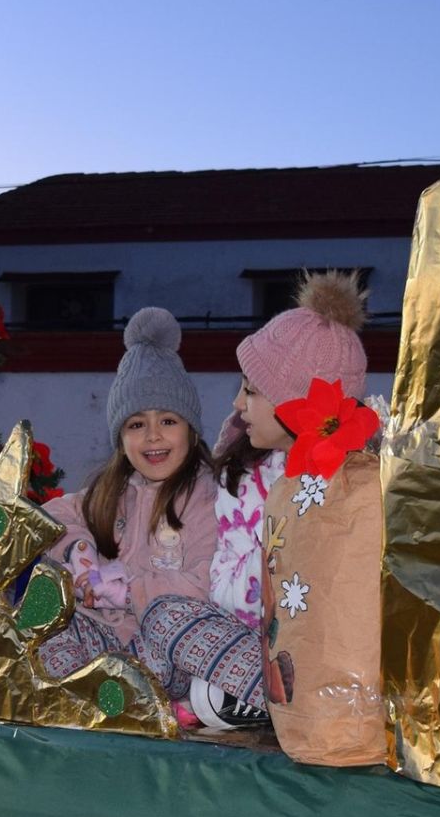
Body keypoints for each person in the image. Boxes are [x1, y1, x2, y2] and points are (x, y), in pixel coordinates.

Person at [137, 270, 368, 730]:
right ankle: (245, 698)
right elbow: (222, 585)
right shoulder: (241, 475)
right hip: (244, 643)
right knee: (161, 616)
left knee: (199, 680)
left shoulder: (347, 490)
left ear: (297, 404)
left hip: (314, 662)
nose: (238, 404)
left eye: (252, 390)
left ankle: (262, 700)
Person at [36, 308, 217, 677]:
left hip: (162, 646)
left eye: (168, 420)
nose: (153, 436)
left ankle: (116, 689)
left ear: (192, 430)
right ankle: (83, 690)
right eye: (136, 424)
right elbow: (51, 516)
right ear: (120, 439)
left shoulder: (206, 497)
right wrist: (79, 550)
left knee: (161, 645)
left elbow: (206, 581)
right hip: (103, 637)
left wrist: (129, 591)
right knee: (45, 625)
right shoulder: (114, 491)